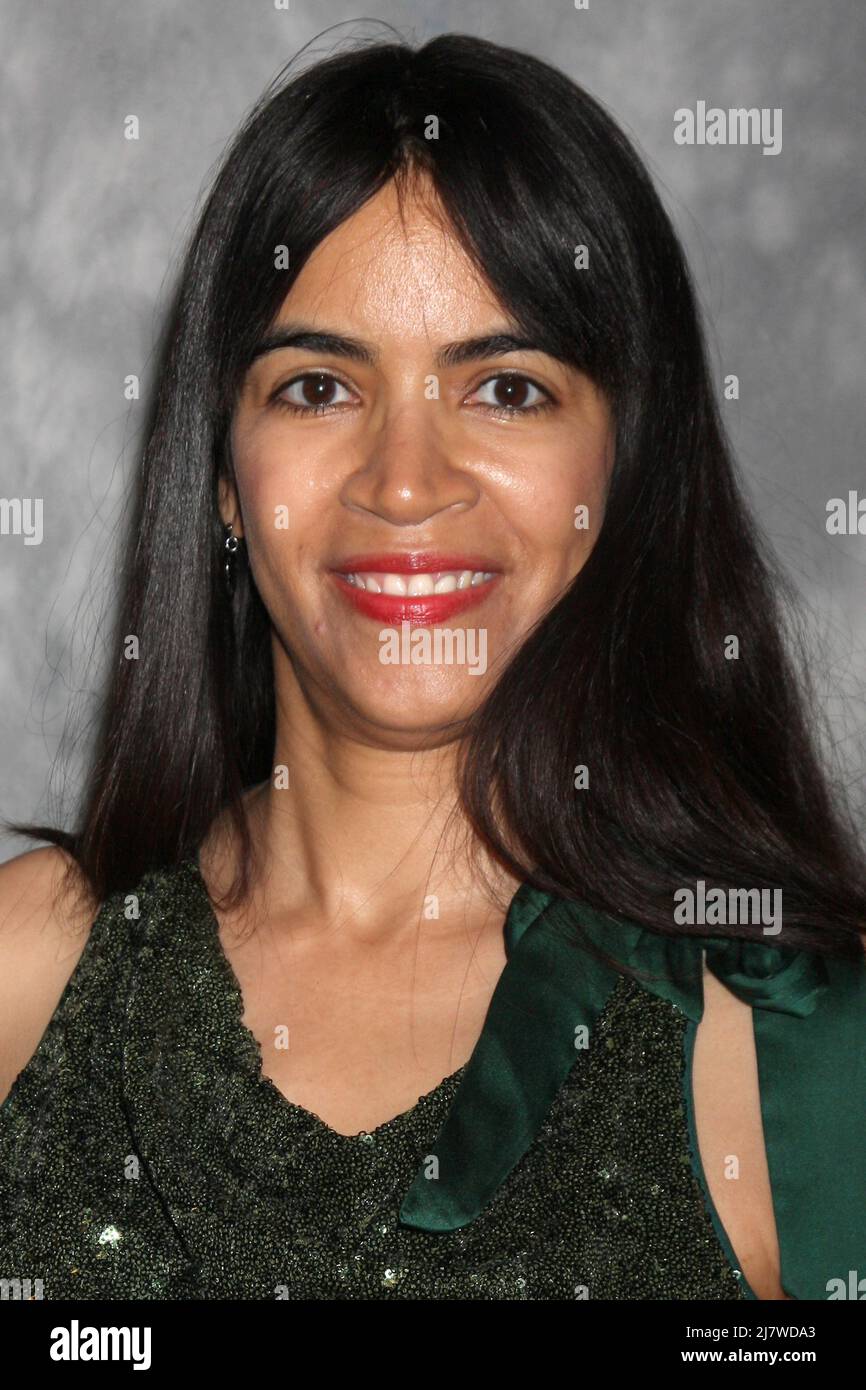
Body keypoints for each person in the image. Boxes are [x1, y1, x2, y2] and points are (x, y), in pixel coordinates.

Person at [1, 31, 864, 1303]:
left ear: (622, 471)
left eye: (505, 389)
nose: (405, 482)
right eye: (316, 387)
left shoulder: (798, 1050)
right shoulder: (28, 969)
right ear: (223, 481)